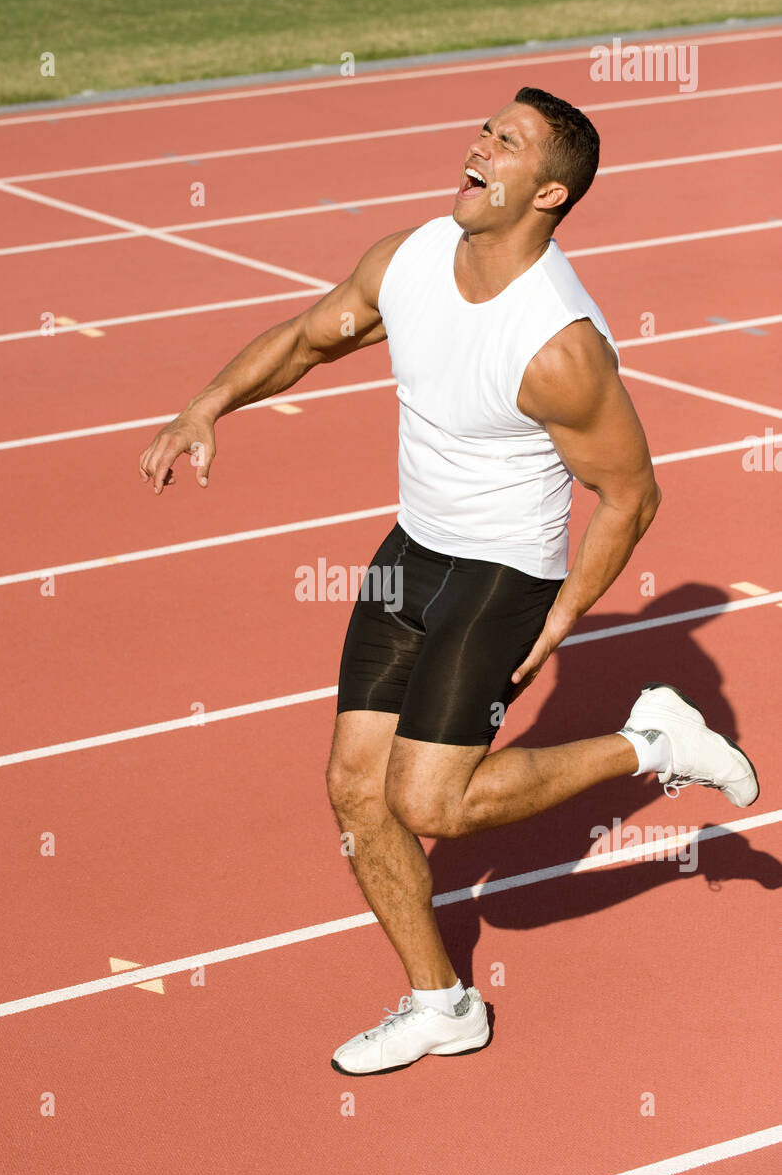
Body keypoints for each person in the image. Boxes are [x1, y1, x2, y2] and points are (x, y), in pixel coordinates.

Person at [139, 87, 758, 1077]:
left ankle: (654, 742)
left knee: (432, 805)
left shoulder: (556, 346)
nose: (478, 146)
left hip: (503, 572)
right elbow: (310, 337)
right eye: (484, 129)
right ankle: (443, 1004)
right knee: (356, 791)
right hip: (411, 554)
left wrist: (559, 621)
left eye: (505, 143)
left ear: (548, 192)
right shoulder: (410, 259)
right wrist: (207, 405)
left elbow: (629, 495)